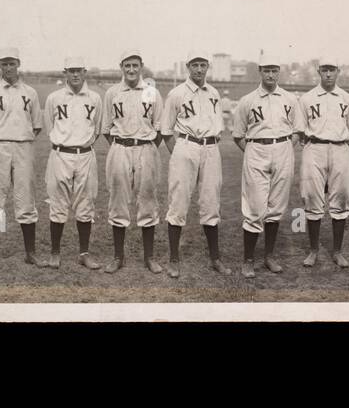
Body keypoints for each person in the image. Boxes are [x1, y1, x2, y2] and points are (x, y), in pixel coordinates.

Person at [230, 52, 304, 278]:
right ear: (260, 72)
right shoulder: (247, 100)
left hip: (283, 149)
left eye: (274, 70)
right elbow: (237, 135)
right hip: (255, 150)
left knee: (276, 207)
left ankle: (269, 256)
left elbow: (298, 130)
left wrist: (283, 149)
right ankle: (248, 260)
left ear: (279, 72)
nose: (270, 75)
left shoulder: (290, 99)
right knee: (254, 207)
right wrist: (255, 151)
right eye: (266, 70)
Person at [160, 52, 229, 278]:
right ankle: (173, 259)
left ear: (207, 66)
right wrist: (180, 153)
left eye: (203, 65)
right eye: (195, 65)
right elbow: (166, 131)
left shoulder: (214, 93)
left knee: (211, 202)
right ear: (188, 67)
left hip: (211, 148)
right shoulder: (176, 93)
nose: (199, 69)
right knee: (179, 202)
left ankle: (215, 258)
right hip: (185, 145)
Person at [0, 47, 44, 270]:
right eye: (4, 64)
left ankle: (30, 252)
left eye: (11, 63)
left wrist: (19, 141)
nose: (8, 68)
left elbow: (36, 126)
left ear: (19, 64)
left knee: (25, 199)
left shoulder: (31, 93)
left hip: (24, 147)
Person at [100, 49, 165, 274]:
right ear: (121, 67)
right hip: (120, 147)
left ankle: (149, 257)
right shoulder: (112, 93)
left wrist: (144, 147)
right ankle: (118, 257)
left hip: (146, 148)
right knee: (118, 200)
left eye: (135, 65)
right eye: (127, 65)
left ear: (141, 66)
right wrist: (121, 147)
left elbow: (158, 128)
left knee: (148, 199)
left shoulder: (151, 92)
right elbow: (106, 129)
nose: (131, 70)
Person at [42, 57, 104, 270]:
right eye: (71, 71)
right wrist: (64, 143)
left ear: (85, 72)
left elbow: (96, 129)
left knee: (86, 204)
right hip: (60, 154)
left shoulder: (95, 98)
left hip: (85, 154)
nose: (75, 74)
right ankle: (55, 252)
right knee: (58, 204)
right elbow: (49, 125)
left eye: (79, 70)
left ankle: (84, 253)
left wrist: (82, 145)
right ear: (65, 72)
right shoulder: (54, 98)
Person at [298, 59, 349, 268]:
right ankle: (313, 250)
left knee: (341, 198)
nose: (328, 74)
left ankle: (337, 251)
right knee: (312, 197)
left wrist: (345, 155)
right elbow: (300, 129)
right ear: (319, 72)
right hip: (314, 148)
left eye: (332, 70)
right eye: (325, 70)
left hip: (341, 148)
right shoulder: (307, 98)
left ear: (338, 71)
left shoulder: (346, 98)